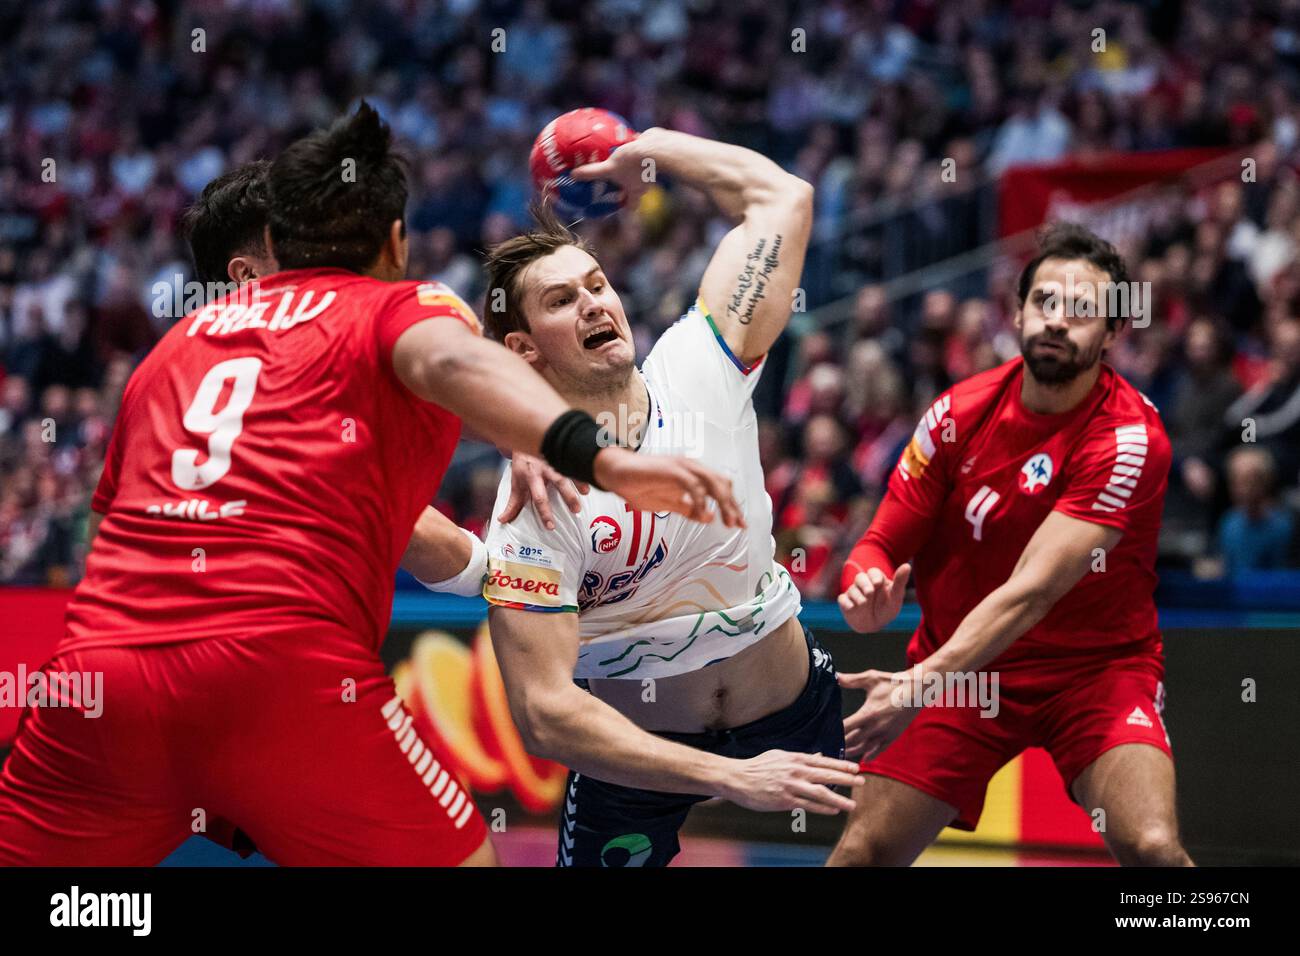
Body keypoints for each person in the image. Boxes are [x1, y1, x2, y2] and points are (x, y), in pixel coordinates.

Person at [0, 104, 741, 867]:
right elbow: (454, 366)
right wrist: (591, 452)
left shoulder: (167, 355)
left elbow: (140, 526)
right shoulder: (398, 305)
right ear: (395, 241)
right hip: (281, 670)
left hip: (97, 677)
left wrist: (502, 555)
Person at [481, 128, 863, 868]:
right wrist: (731, 777)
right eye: (562, 300)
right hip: (636, 764)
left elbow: (784, 197)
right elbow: (544, 715)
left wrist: (651, 147)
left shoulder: (700, 361)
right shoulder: (531, 500)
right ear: (525, 349)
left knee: (883, 847)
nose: (595, 304)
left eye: (597, 284)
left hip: (795, 708)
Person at [828, 223, 1193, 867]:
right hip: (966, 677)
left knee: (1153, 848)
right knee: (863, 852)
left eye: (1082, 310)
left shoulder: (1131, 440)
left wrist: (915, 686)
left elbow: (1031, 592)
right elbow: (879, 544)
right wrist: (864, 581)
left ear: (1112, 334)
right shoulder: (955, 415)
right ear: (1017, 312)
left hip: (1092, 674)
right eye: (1044, 301)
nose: (1057, 320)